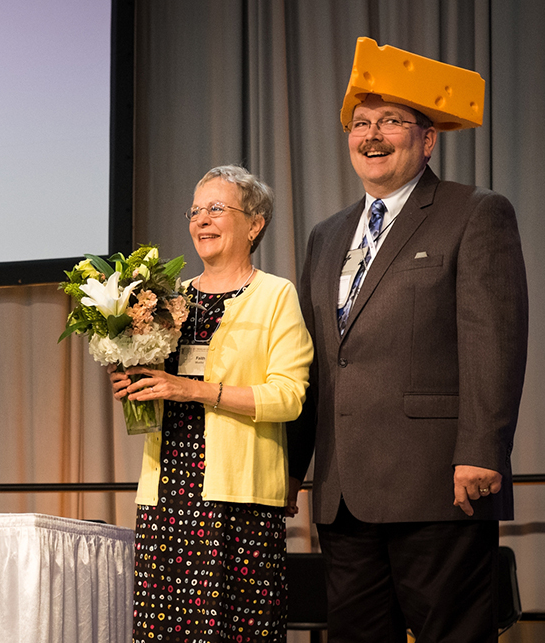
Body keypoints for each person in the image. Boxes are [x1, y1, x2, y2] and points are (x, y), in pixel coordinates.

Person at [288, 40, 528, 642]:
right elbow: (316, 361)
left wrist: (483, 449)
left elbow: (494, 340)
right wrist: (292, 468)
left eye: (391, 121)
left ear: (427, 140)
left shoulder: (475, 212)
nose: (372, 136)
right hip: (343, 492)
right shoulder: (326, 234)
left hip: (438, 483)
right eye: (360, 123)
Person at [109, 165, 313, 642]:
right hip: (168, 495)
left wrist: (194, 390)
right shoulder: (168, 300)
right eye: (195, 211)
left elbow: (289, 397)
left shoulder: (275, 295)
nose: (201, 220)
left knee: (235, 631)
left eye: (216, 209)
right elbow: (161, 387)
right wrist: (135, 383)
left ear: (255, 224)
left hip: (239, 498)